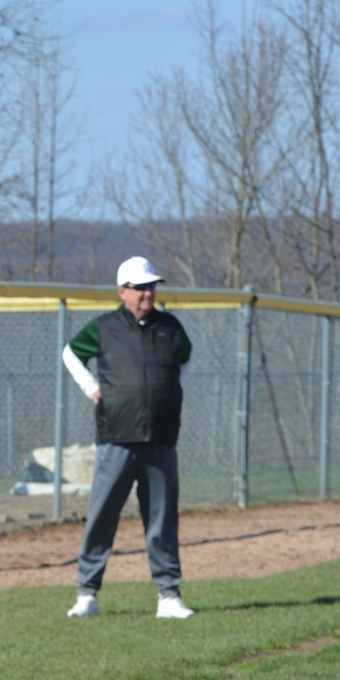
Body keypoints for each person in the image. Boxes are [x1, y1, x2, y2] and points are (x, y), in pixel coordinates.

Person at [60, 256, 196, 620]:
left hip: (161, 439)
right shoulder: (104, 327)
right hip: (117, 437)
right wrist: (91, 386)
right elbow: (70, 354)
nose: (148, 292)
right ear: (123, 292)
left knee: (162, 519)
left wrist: (170, 390)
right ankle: (87, 593)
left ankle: (169, 596)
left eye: (151, 286)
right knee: (102, 515)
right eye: (140, 287)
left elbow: (185, 357)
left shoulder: (169, 327)